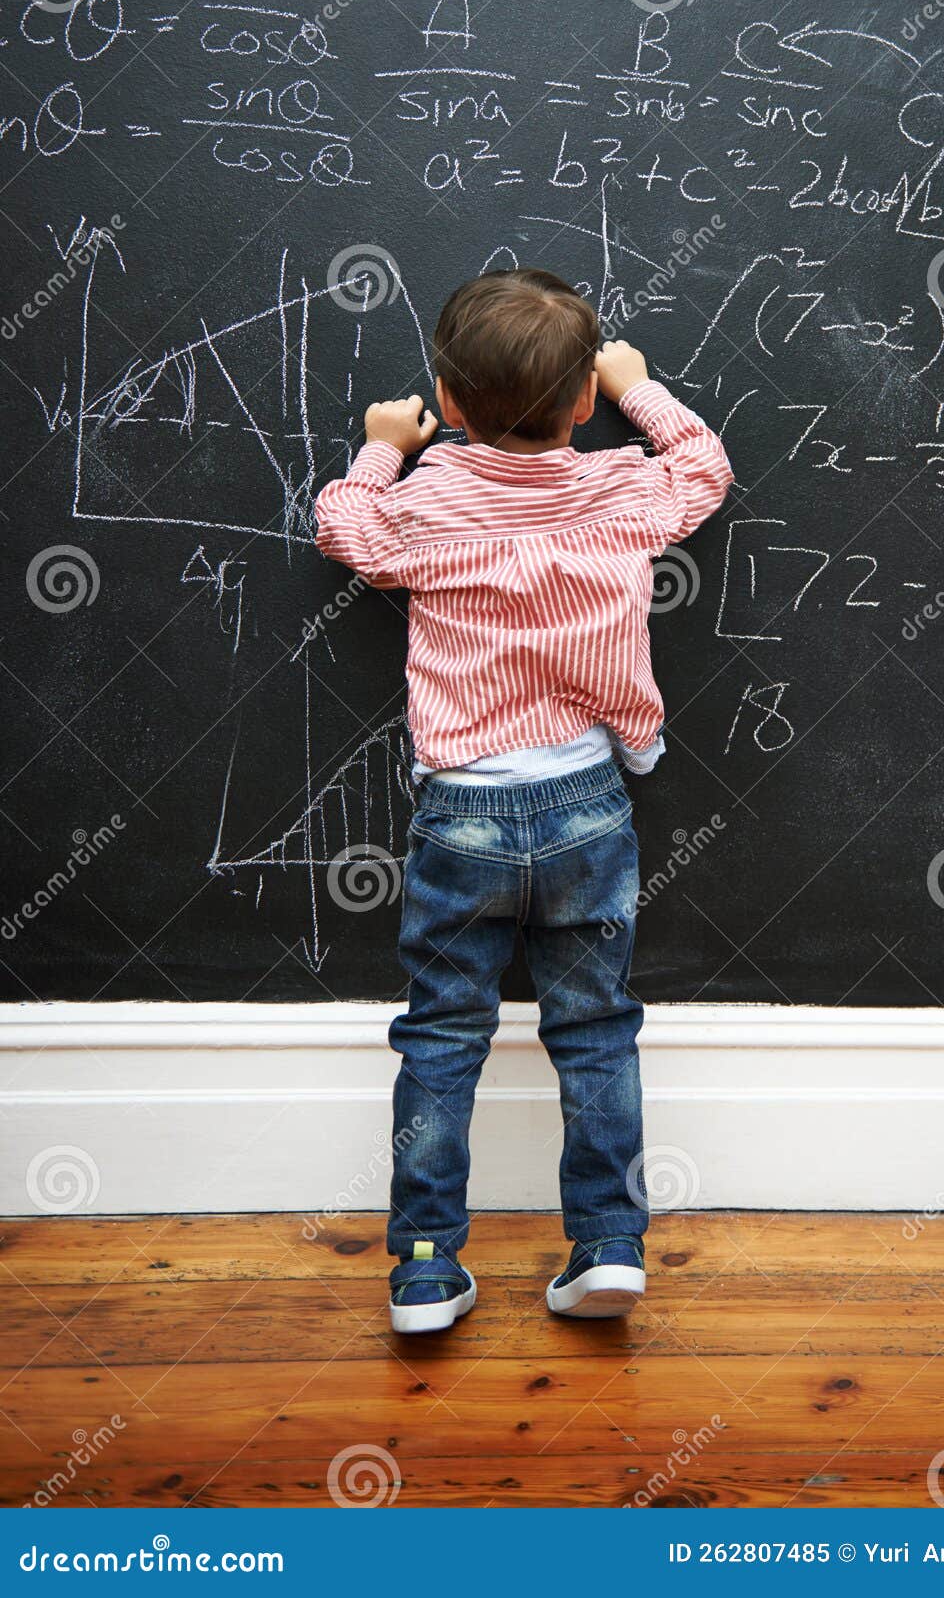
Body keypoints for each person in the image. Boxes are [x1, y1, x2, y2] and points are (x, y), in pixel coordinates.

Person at [315, 269, 732, 1333]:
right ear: (581, 401)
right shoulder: (622, 493)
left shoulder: (424, 501)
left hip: (460, 811)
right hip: (586, 799)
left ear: (448, 404)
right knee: (593, 1026)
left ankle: (420, 1266)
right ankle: (605, 1243)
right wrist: (643, 391)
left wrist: (379, 445)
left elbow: (344, 533)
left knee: (442, 1035)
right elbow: (702, 468)